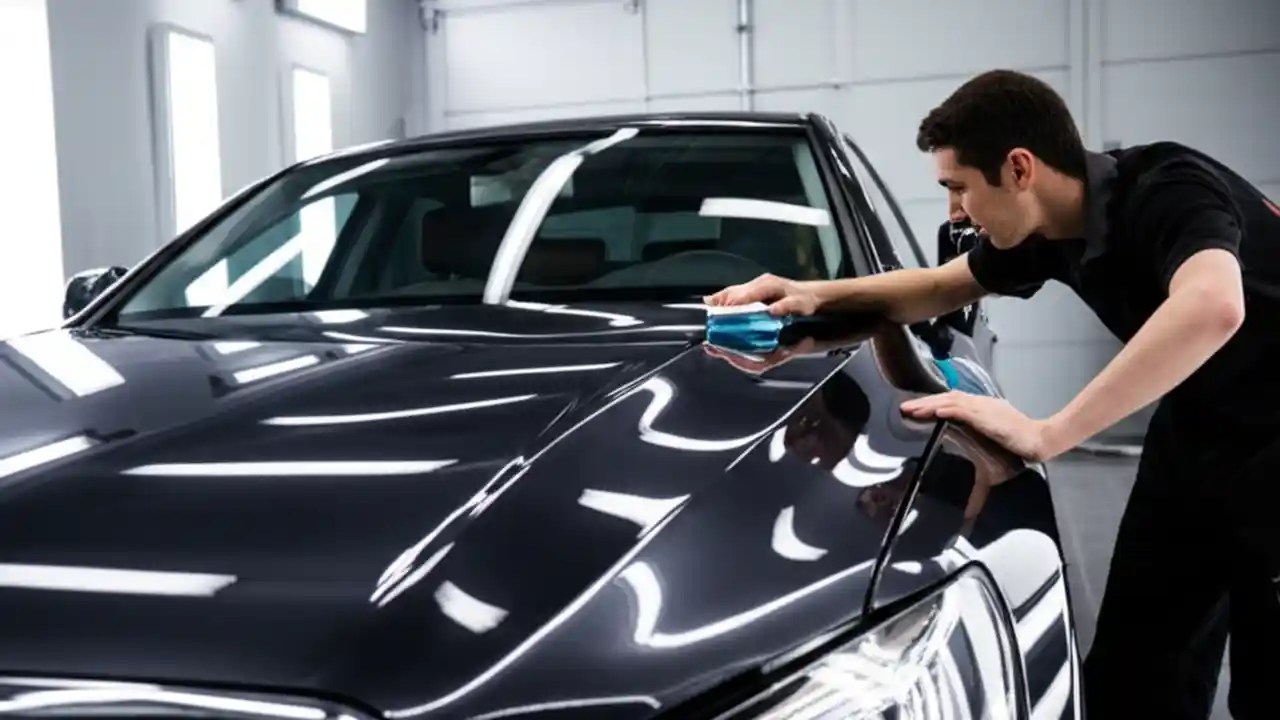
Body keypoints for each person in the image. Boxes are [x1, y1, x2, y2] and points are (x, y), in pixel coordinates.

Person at [704, 69, 1280, 719]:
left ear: (1018, 168)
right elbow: (935, 289)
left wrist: (1047, 433)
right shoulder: (1049, 235)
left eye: (958, 189)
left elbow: (1213, 306)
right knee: (1136, 669)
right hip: (1200, 429)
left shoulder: (1168, 188)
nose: (954, 213)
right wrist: (807, 293)